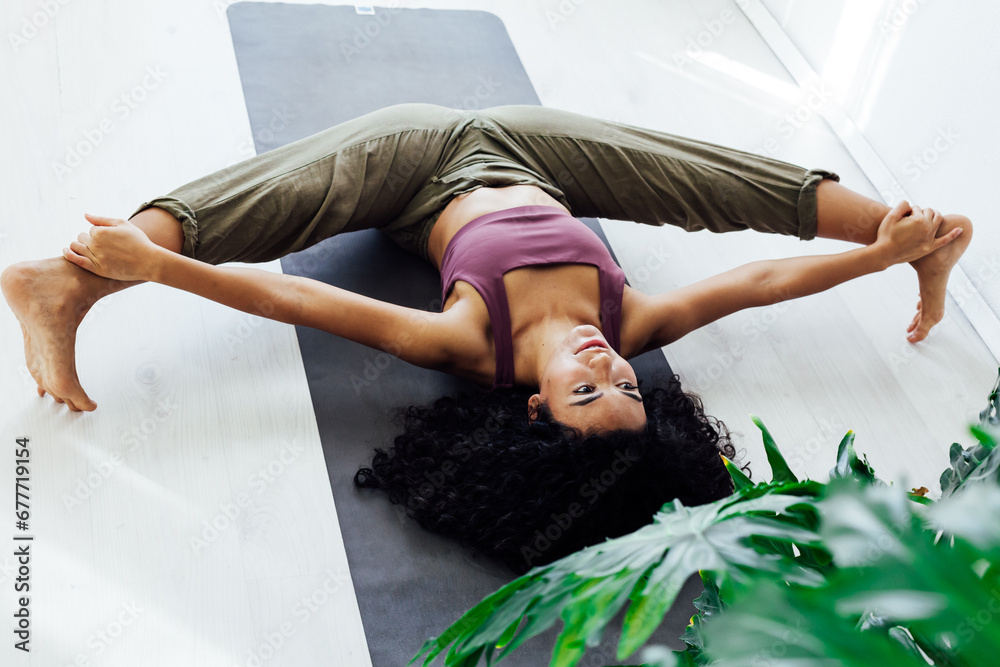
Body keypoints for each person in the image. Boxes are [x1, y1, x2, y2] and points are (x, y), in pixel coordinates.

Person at [1, 104, 970, 571]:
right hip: (537, 152)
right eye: (624, 389)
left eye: (586, 393)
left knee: (298, 193)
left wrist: (158, 265)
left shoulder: (476, 343)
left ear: (537, 407)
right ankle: (917, 230)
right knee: (696, 179)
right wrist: (875, 258)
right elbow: (756, 282)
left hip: (417, 166)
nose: (604, 368)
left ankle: (73, 279)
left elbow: (300, 304)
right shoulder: (628, 324)